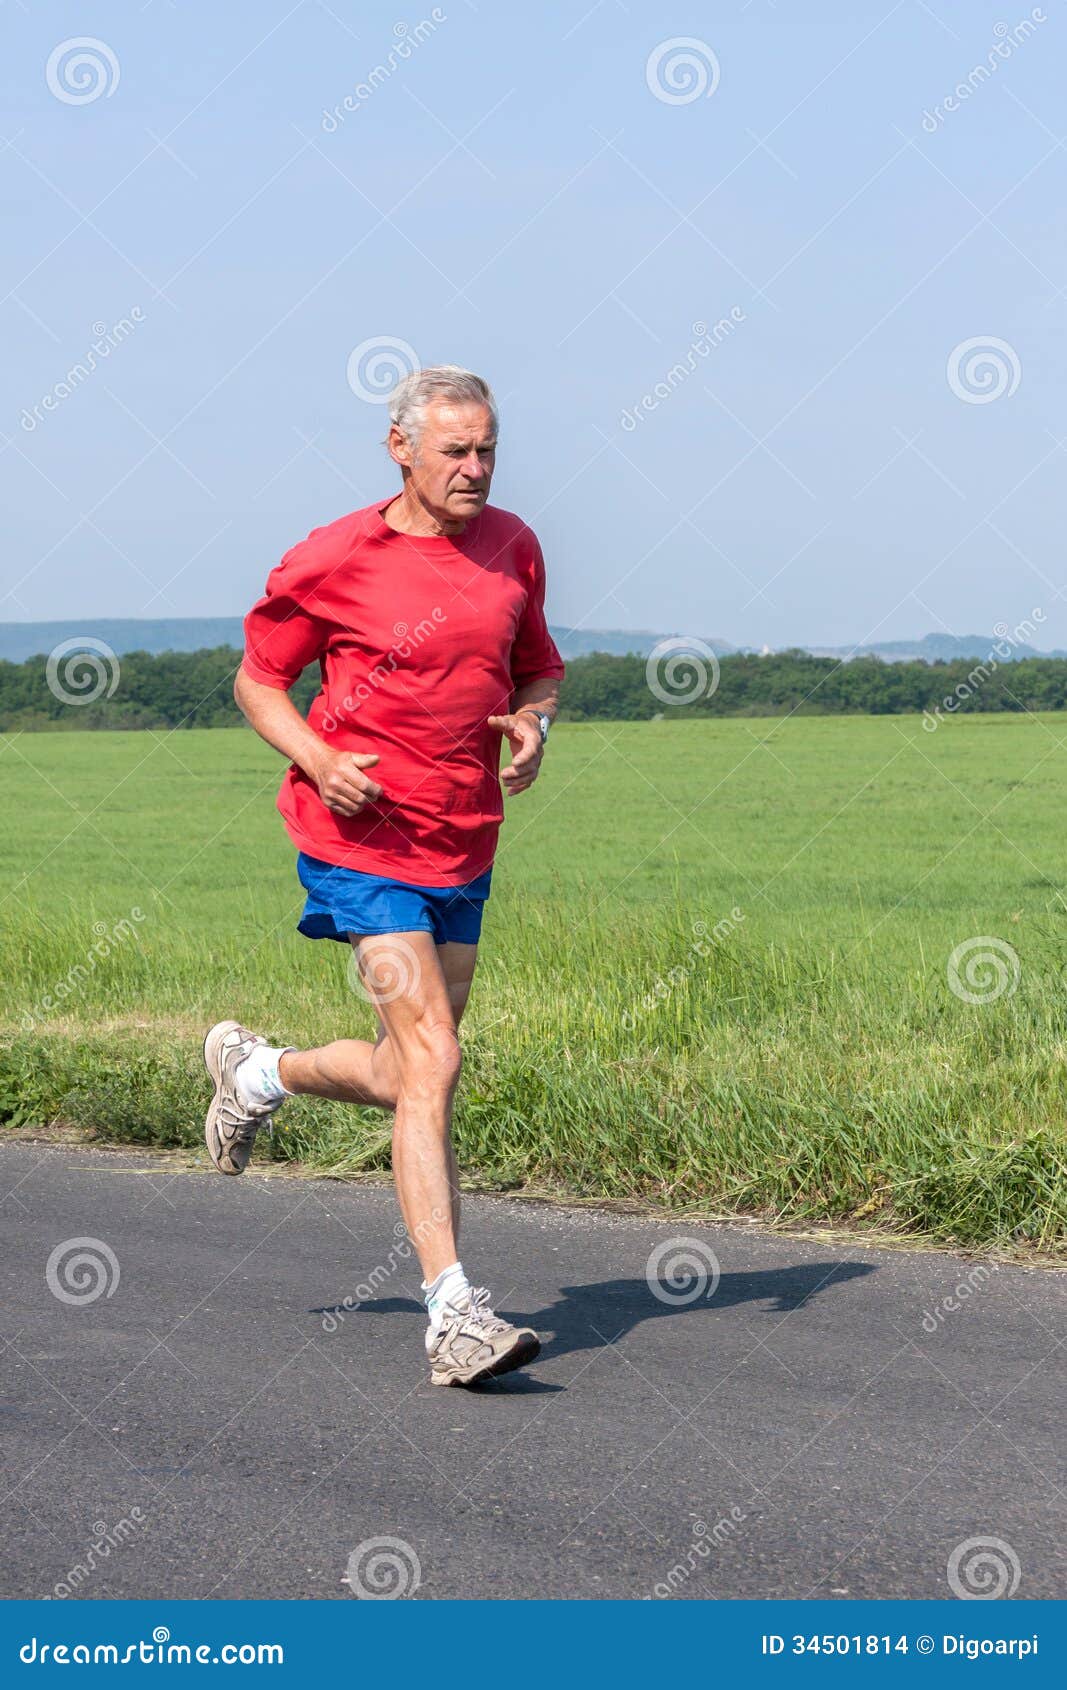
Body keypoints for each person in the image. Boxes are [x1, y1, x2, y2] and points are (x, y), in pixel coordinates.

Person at [203, 365, 564, 1387]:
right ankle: (454, 1314)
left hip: (463, 841)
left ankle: (259, 1072)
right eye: (455, 450)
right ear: (399, 447)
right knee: (437, 1055)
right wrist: (317, 758)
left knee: (407, 1070)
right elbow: (258, 680)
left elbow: (537, 666)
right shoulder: (335, 557)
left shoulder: (512, 546)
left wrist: (532, 724)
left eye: (487, 449)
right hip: (357, 844)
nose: (475, 469)